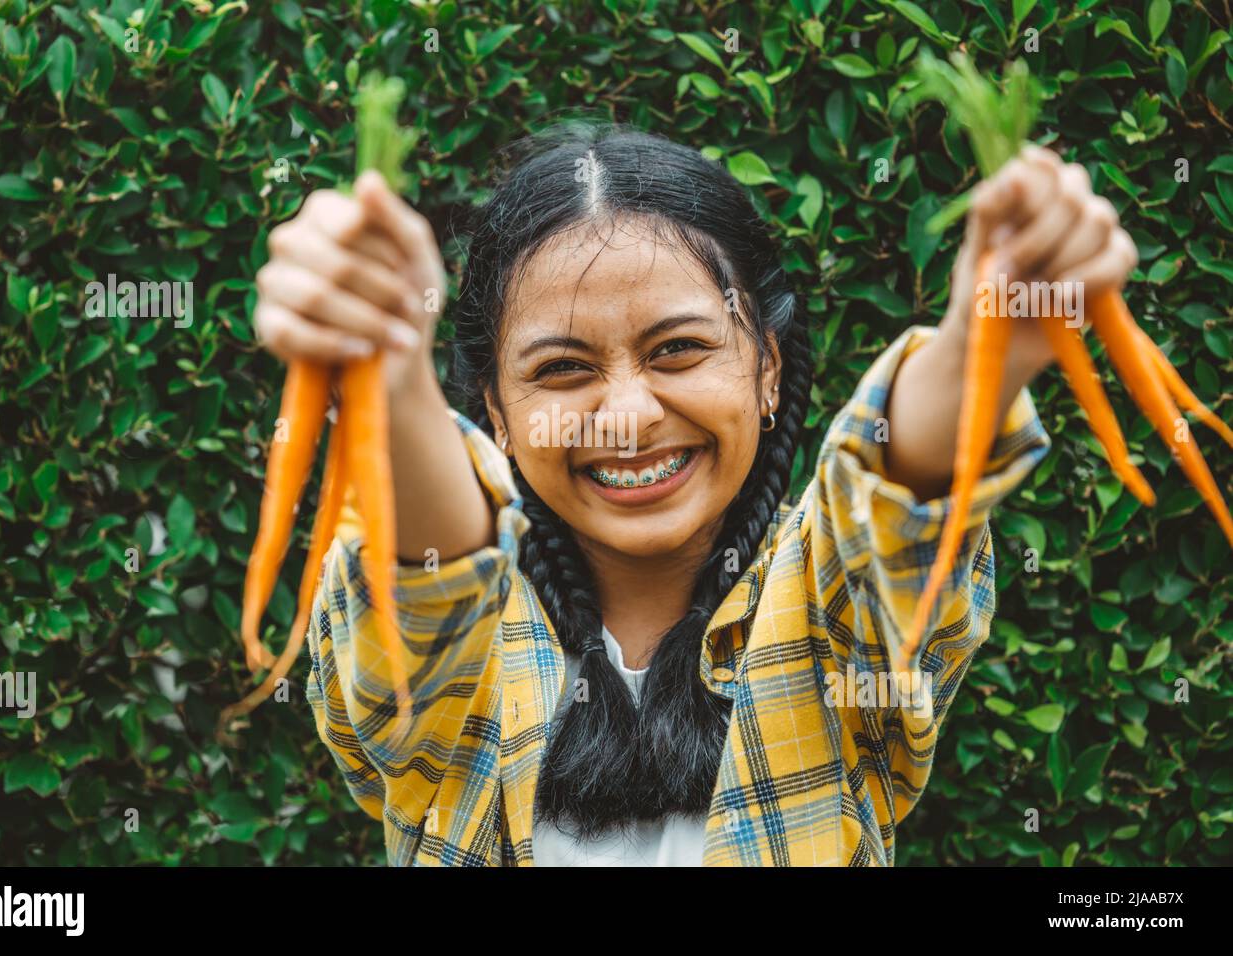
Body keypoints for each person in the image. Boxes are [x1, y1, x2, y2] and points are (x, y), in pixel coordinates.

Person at [252, 124, 1136, 866]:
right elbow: (422, 583)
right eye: (562, 370)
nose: (628, 417)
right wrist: (391, 379)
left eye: (678, 348)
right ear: (497, 413)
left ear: (768, 369)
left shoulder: (829, 615)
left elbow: (894, 513)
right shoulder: (470, 652)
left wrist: (982, 349)